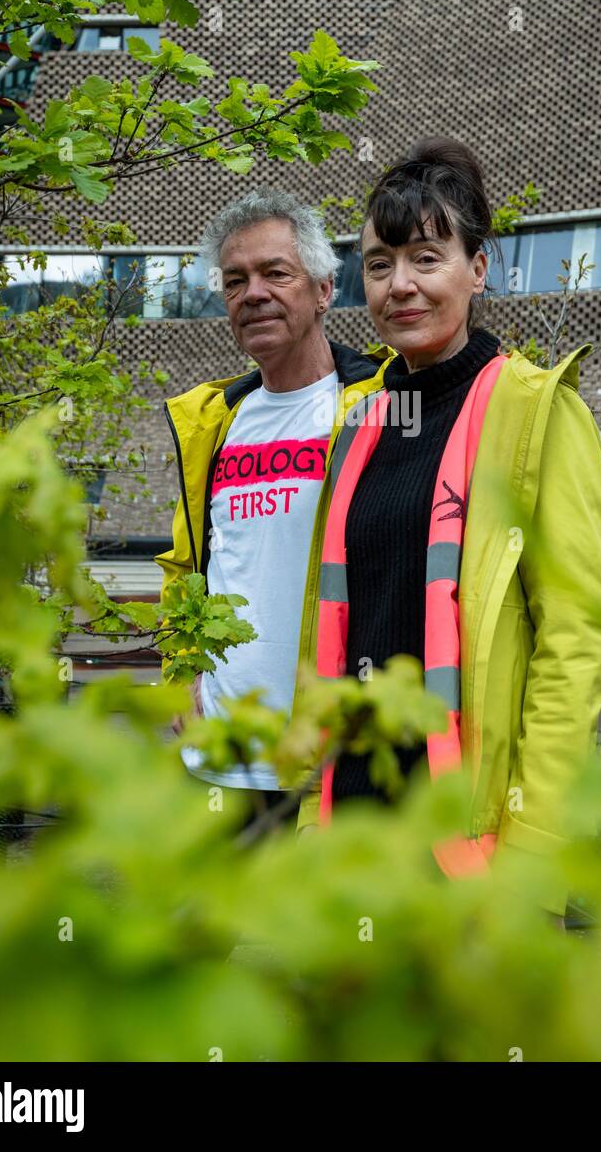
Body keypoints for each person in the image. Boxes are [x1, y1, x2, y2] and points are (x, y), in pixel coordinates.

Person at [290, 137, 601, 924]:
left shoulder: (537, 416)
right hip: (350, 829)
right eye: (378, 264)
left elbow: (571, 645)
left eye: (426, 258)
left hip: (473, 850)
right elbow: (325, 631)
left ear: (477, 268)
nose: (399, 284)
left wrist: (533, 845)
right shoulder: (357, 424)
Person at [157, 190, 393, 824]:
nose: (253, 293)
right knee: (197, 925)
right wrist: (182, 673)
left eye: (274, 273)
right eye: (235, 281)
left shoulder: (381, 406)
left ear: (322, 289)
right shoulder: (212, 423)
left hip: (334, 759)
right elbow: (189, 572)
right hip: (217, 757)